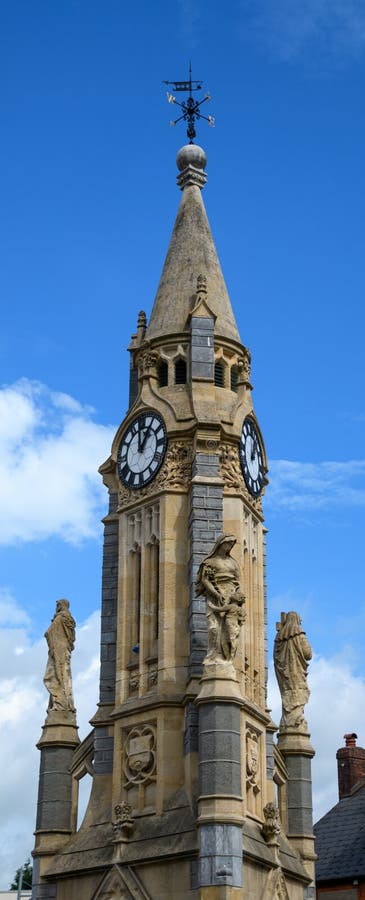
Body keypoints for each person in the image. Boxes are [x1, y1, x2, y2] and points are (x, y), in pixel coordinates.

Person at [196, 534, 246, 662]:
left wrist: (238, 597)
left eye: (231, 544)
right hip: (215, 595)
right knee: (214, 628)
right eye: (227, 543)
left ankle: (226, 657)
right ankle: (213, 656)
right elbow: (205, 580)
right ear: (220, 544)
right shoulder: (209, 562)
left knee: (229, 630)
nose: (229, 546)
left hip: (231, 596)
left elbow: (238, 581)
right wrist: (216, 594)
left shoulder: (233, 562)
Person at [273, 611, 312, 730]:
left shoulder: (279, 639)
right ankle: (294, 721)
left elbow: (276, 656)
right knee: (298, 694)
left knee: (288, 695)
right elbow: (308, 654)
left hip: (284, 675)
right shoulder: (300, 635)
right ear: (297, 620)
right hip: (296, 673)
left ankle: (288, 720)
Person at [44, 598, 76, 712]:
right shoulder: (69, 619)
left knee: (54, 676)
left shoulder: (59, 618)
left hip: (58, 650)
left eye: (57, 605)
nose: (56, 607)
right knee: (64, 677)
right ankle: (64, 703)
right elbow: (72, 638)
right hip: (65, 651)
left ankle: (60, 704)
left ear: (61, 606)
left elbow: (48, 633)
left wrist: (52, 646)